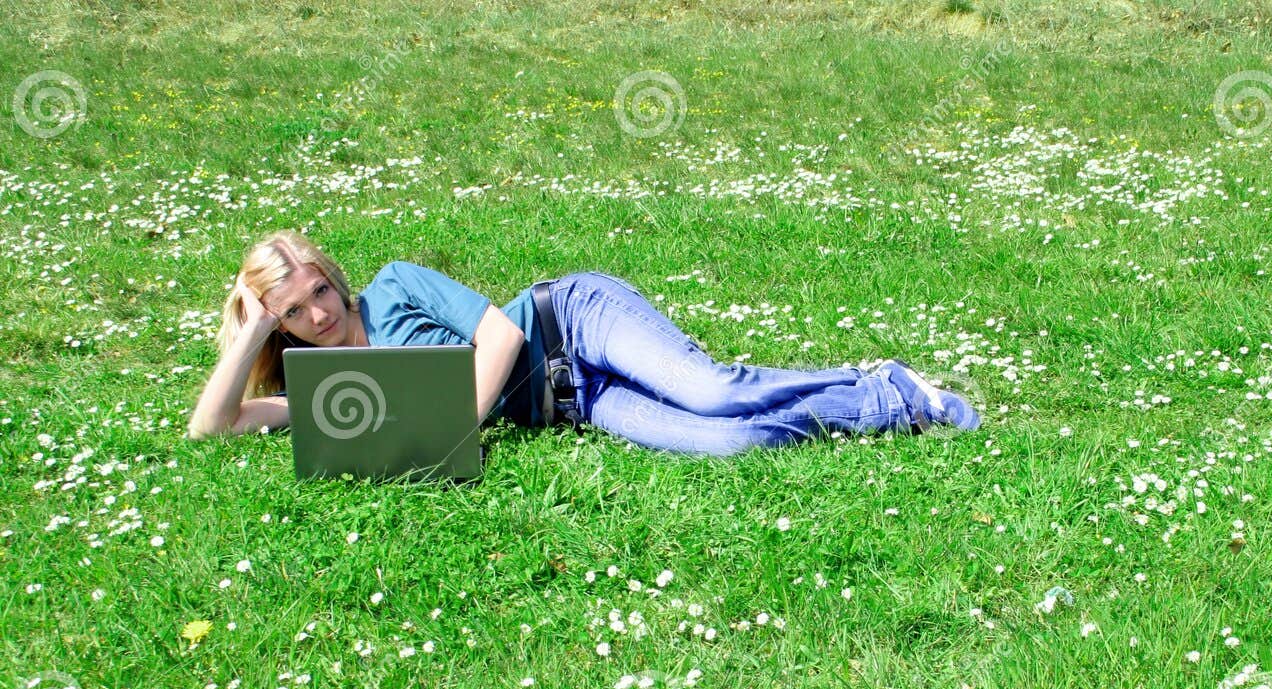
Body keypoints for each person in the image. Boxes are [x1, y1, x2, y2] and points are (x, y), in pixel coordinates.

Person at [185, 230, 981, 454]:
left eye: (319, 289)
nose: (319, 313)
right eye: (294, 311)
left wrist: (456, 419)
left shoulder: (393, 285)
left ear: (334, 274)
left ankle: (869, 375)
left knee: (712, 391)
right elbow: (213, 427)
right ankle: (892, 398)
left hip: (574, 319)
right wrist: (248, 329)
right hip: (578, 403)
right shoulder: (333, 393)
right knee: (729, 441)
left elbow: (497, 330)